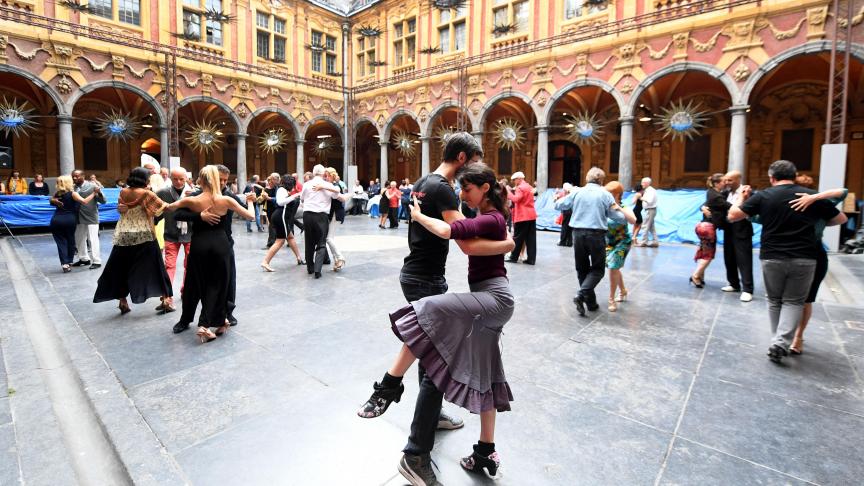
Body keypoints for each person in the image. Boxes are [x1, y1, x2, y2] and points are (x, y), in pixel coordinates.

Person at [360, 133, 514, 486]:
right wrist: (507, 241)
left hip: (425, 276)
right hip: (427, 280)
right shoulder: (445, 189)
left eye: (469, 189)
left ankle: (450, 428)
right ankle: (413, 445)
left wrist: (505, 239)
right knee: (434, 361)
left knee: (438, 359)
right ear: (463, 158)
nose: (463, 194)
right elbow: (464, 241)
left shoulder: (425, 182)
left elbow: (461, 231)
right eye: (475, 161)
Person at [728, 160, 846, 363]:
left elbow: (734, 216)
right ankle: (782, 342)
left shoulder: (764, 196)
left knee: (774, 301)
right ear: (795, 175)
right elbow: (841, 219)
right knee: (795, 301)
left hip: (772, 256)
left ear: (771, 177)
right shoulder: (809, 197)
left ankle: (779, 341)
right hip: (805, 257)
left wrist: (741, 198)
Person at [165, 165, 256, 343]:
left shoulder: (193, 199)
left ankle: (218, 320)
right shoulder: (224, 200)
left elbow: (170, 208)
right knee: (217, 285)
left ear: (201, 179)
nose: (223, 182)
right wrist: (251, 202)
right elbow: (250, 216)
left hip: (200, 244)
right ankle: (205, 322)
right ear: (215, 179)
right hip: (220, 245)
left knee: (196, 282)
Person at [93, 167, 172, 315]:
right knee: (156, 266)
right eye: (148, 177)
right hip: (144, 235)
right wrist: (181, 203)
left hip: (123, 234)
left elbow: (122, 209)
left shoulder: (123, 191)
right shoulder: (146, 193)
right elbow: (162, 208)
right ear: (144, 179)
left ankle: (122, 300)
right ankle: (166, 299)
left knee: (120, 268)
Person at [787, 176, 848, 355]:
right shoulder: (788, 201)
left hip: (811, 252)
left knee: (805, 298)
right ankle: (794, 336)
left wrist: (814, 198)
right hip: (797, 252)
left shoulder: (821, 203)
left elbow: (843, 192)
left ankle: (797, 337)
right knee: (802, 299)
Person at [555, 167, 626, 317]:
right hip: (596, 235)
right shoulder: (605, 195)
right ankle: (582, 295)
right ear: (601, 180)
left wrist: (558, 198)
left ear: (587, 178)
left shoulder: (577, 192)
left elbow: (559, 205)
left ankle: (591, 303)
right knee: (598, 269)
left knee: (582, 269)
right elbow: (619, 218)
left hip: (578, 234)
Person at [300, 164, 349, 279]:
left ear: (313, 172)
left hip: (307, 215)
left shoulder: (306, 184)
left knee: (309, 242)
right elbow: (337, 193)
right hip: (321, 216)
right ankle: (317, 270)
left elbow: (302, 198)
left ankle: (310, 268)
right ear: (323, 173)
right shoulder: (327, 184)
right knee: (321, 242)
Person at [154, 167, 193, 312]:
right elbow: (152, 207)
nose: (178, 182)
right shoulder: (163, 192)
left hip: (190, 233)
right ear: (170, 178)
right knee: (169, 265)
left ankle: (185, 290)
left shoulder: (193, 191)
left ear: (186, 178)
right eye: (175, 179)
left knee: (189, 265)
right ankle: (167, 297)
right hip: (170, 233)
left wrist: (194, 197)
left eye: (181, 179)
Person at [49, 175, 97, 273]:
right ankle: (69, 261)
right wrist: (94, 193)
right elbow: (84, 201)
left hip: (56, 220)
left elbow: (51, 201)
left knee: (61, 242)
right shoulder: (73, 194)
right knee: (71, 240)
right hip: (70, 220)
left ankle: (65, 264)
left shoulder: (56, 194)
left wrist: (52, 200)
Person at [720, 170, 755, 302]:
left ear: (738, 180)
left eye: (730, 180)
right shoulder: (725, 193)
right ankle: (733, 284)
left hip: (742, 230)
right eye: (726, 180)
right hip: (728, 229)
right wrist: (703, 208)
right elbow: (712, 201)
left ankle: (747, 289)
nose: (727, 182)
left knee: (744, 260)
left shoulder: (748, 193)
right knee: (729, 257)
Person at [604, 181, 637, 312]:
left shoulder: (624, 206)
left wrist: (619, 208)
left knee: (613, 267)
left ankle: (611, 299)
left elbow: (633, 220)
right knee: (615, 268)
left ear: (617, 194)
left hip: (622, 242)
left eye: (609, 193)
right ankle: (623, 290)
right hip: (608, 243)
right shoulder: (605, 208)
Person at [690, 173, 728, 288]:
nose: (725, 183)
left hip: (701, 226)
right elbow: (730, 206)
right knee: (709, 255)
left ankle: (700, 276)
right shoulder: (716, 195)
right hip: (708, 228)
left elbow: (705, 204)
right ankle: (696, 275)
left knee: (704, 251)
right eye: (723, 181)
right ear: (717, 183)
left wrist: (702, 207)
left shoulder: (712, 193)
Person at [261, 174, 304, 271]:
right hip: (281, 217)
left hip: (280, 216)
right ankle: (265, 262)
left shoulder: (283, 190)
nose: (293, 186)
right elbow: (280, 202)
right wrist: (294, 196)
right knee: (280, 241)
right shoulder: (282, 190)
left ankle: (299, 258)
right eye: (293, 184)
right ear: (289, 183)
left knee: (290, 237)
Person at [71, 169, 105, 269]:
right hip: (78, 217)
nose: (74, 178)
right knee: (79, 238)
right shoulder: (72, 187)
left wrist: (99, 193)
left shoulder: (92, 186)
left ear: (83, 176)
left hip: (91, 216)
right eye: (73, 176)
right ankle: (84, 259)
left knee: (93, 239)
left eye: (77, 176)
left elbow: (103, 201)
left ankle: (97, 261)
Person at [506, 171, 537, 264]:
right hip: (531, 215)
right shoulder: (529, 186)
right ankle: (531, 259)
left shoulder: (520, 188)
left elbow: (516, 199)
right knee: (531, 238)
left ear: (519, 179)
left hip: (522, 216)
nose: (513, 182)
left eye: (514, 180)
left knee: (518, 237)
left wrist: (507, 192)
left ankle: (513, 257)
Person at [324, 167, 347, 271]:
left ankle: (340, 258)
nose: (325, 177)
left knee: (328, 238)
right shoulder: (331, 185)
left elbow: (340, 197)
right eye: (325, 175)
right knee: (330, 238)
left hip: (336, 213)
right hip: (334, 213)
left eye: (327, 175)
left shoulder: (335, 185)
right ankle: (337, 261)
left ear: (332, 176)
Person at [258, 173, 280, 249]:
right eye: (269, 180)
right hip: (269, 209)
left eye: (271, 180)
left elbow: (279, 199)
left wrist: (269, 198)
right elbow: (260, 200)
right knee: (276, 225)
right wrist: (259, 198)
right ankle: (279, 240)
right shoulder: (267, 189)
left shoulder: (279, 188)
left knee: (272, 226)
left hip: (276, 209)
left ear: (276, 180)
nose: (269, 181)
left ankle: (271, 243)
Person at [638, 177, 658, 247]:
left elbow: (650, 200)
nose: (641, 184)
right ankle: (655, 241)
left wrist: (641, 198)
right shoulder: (648, 190)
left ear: (646, 183)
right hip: (650, 210)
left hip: (650, 210)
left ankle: (644, 242)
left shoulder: (650, 191)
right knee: (651, 227)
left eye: (642, 182)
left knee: (645, 226)